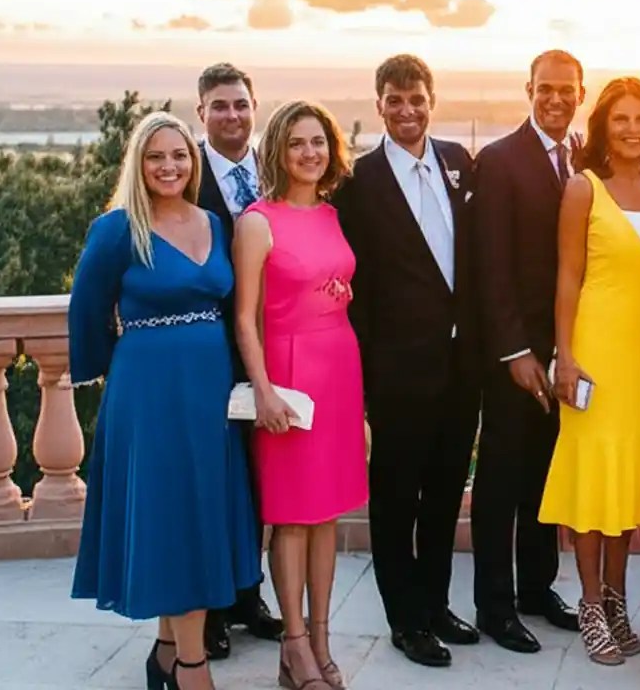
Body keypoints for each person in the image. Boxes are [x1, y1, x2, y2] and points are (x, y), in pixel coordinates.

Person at [68, 111, 262, 690]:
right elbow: (86, 315)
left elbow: (232, 310)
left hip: (210, 392)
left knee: (200, 514)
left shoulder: (213, 223)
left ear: (192, 160)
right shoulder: (116, 229)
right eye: (156, 157)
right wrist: (126, 379)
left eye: (178, 155)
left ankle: (164, 654)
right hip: (148, 394)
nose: (169, 166)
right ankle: (192, 668)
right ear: (138, 164)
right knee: (172, 516)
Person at [333, 54, 482, 669]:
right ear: (379, 106)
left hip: (460, 364)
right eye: (394, 100)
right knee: (397, 499)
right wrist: (365, 377)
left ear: (431, 99)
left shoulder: (458, 162)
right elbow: (353, 287)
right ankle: (405, 619)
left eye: (416, 98)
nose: (407, 110)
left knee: (447, 490)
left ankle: (437, 602)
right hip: (396, 370)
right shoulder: (358, 183)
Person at [233, 99, 369, 690]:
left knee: (326, 516)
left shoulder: (335, 215)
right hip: (288, 373)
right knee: (291, 516)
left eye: (318, 142)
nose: (310, 153)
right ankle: (292, 644)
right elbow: (243, 318)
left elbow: (337, 287)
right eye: (297, 143)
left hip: (340, 367)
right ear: (278, 152)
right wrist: (263, 391)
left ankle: (320, 639)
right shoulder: (257, 221)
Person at [538, 76, 640, 666]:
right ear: (603, 126)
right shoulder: (582, 188)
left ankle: (618, 599)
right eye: (620, 118)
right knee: (594, 483)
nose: (632, 129)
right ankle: (591, 605)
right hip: (593, 350)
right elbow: (567, 278)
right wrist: (565, 356)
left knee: (625, 482)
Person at [469, 49, 585, 654]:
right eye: (546, 89)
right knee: (501, 479)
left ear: (582, 93)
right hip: (518, 356)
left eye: (567, 89)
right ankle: (495, 603)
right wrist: (516, 352)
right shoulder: (499, 160)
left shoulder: (586, 161)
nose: (556, 99)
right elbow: (491, 265)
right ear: (529, 91)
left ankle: (539, 589)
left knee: (547, 475)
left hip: (572, 354)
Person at [194, 62, 284, 659]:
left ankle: (248, 594)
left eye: (241, 105)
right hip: (210, 357)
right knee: (212, 484)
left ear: (255, 108)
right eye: (220, 106)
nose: (232, 116)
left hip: (276, 349)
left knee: (259, 481)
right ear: (200, 112)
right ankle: (208, 611)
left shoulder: (272, 173)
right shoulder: (184, 172)